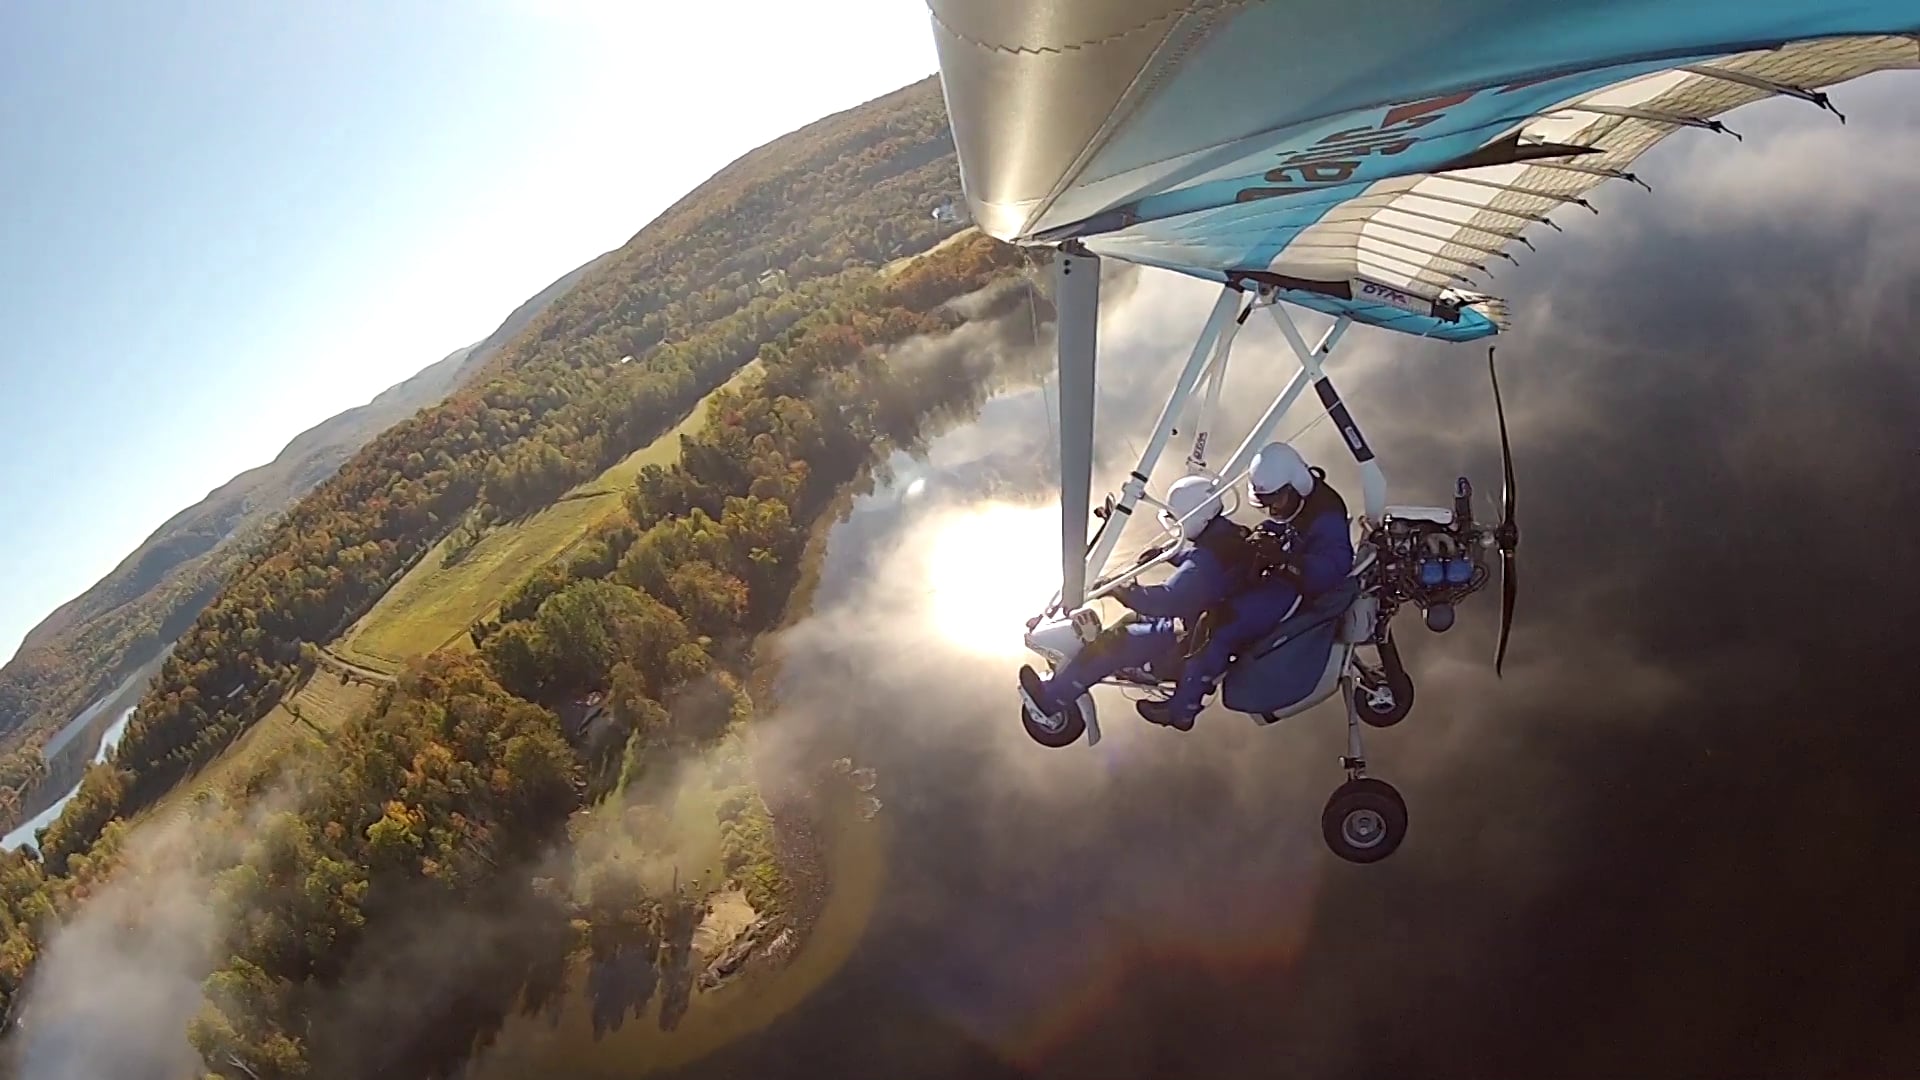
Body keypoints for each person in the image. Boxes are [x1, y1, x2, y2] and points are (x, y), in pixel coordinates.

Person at [1132, 440, 1355, 731]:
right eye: (1267, 503)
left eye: (1277, 501)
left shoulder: (1326, 518)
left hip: (1297, 592)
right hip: (1285, 575)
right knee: (1216, 592)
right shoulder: (1299, 503)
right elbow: (1277, 530)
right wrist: (1265, 537)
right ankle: (1174, 661)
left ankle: (1183, 708)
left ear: (1295, 486)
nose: (1273, 509)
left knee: (1220, 624)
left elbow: (1334, 569)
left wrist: (1286, 561)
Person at [1019, 475, 1240, 726]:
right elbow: (1205, 559)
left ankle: (1051, 701)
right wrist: (1171, 554)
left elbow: (1165, 601)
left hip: (1185, 639)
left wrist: (1122, 591)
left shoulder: (1204, 565)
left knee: (1110, 645)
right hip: (1204, 619)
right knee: (1130, 621)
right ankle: (1088, 666)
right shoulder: (1230, 536)